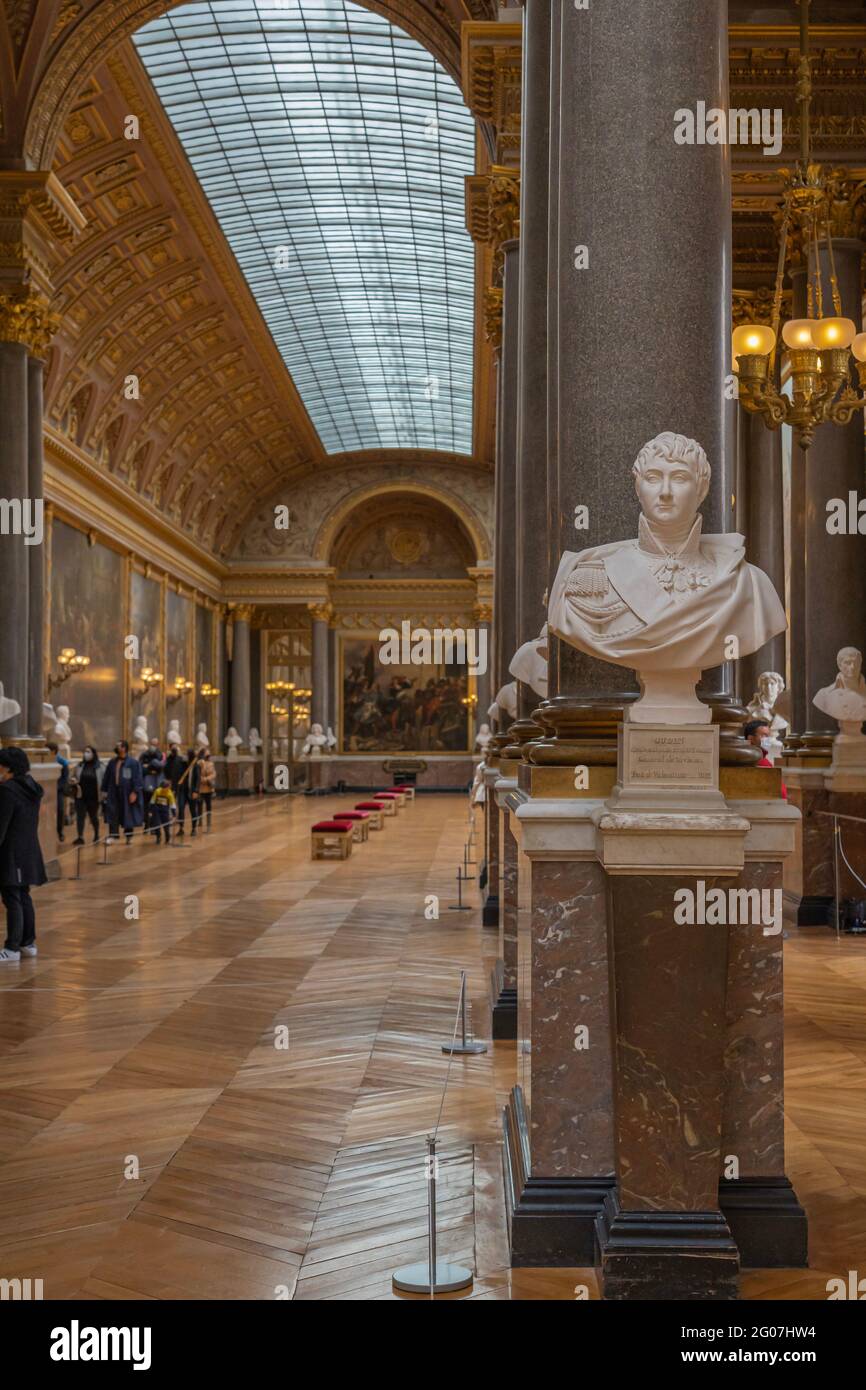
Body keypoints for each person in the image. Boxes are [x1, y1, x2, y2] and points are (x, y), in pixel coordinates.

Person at [0, 747, 47, 962]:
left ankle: (12, 948)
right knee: (23, 895)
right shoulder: (31, 787)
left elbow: (2, 825)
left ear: (7, 766)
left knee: (12, 898)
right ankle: (28, 943)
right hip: (28, 848)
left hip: (11, 851)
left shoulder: (8, 790)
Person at [101, 739, 144, 844]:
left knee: (128, 813)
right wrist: (104, 790)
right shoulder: (112, 762)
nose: (117, 748)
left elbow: (137, 778)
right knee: (113, 812)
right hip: (113, 792)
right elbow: (106, 777)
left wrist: (135, 792)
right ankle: (113, 835)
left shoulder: (133, 763)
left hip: (127, 792)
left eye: (119, 746)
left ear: (124, 748)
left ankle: (128, 836)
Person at [744, 718, 787, 800]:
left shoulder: (762, 758)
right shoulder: (756, 760)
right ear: (751, 738)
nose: (768, 739)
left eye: (769, 735)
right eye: (764, 735)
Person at [70, 745, 102, 845]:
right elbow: (72, 776)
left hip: (94, 797)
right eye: (85, 751)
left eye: (88, 752)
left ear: (93, 754)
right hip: (80, 796)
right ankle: (80, 837)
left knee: (93, 817)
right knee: (80, 817)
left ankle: (96, 835)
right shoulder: (79, 766)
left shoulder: (99, 767)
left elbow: (103, 781)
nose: (86, 753)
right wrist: (73, 780)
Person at [163, 743, 189, 836]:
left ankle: (181, 827)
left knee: (181, 806)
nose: (174, 750)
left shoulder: (181, 760)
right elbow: (165, 772)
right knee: (170, 806)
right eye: (172, 748)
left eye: (175, 748)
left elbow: (186, 773)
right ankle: (169, 823)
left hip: (181, 788)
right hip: (170, 787)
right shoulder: (168, 760)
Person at [46, 740, 69, 842]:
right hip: (46, 790)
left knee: (60, 810)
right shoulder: (45, 761)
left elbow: (65, 778)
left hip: (58, 790)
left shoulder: (63, 762)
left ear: (54, 751)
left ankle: (60, 832)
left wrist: (56, 787)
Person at [148, 774, 176, 845]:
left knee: (166, 825)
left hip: (165, 811)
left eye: (166, 788)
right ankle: (158, 837)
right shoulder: (157, 791)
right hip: (156, 810)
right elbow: (152, 801)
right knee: (156, 824)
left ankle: (167, 838)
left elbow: (173, 805)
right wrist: (150, 811)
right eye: (163, 788)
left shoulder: (170, 794)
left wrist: (174, 815)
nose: (164, 790)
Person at [197, 747, 216, 831]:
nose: (208, 754)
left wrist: (206, 779)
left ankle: (208, 822)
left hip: (208, 787)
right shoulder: (199, 763)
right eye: (206, 752)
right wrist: (201, 778)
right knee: (199, 805)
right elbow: (197, 773)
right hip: (200, 787)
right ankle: (200, 820)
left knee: (208, 805)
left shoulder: (211, 763)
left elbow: (213, 774)